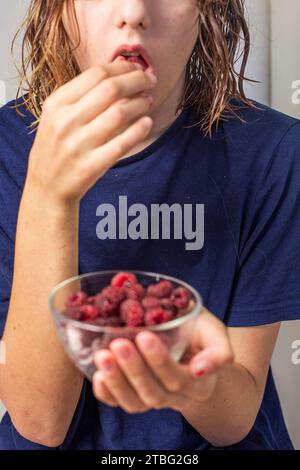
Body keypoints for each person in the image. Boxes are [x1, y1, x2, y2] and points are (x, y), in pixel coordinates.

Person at [0, 0, 299, 450]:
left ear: (207, 10)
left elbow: (234, 419)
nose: (134, 12)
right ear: (59, 9)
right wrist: (50, 194)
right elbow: (41, 421)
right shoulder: (7, 149)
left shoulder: (273, 151)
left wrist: (185, 367)